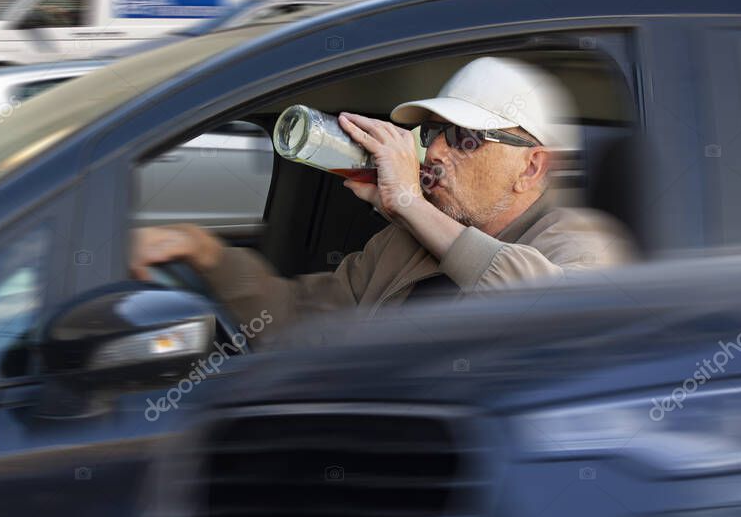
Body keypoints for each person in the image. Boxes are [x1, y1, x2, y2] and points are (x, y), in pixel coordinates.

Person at [131, 57, 636, 345]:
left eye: (464, 138)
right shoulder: (402, 245)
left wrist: (410, 205)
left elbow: (553, 312)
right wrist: (206, 253)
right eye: (434, 131)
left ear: (531, 167)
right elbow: (293, 319)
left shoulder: (581, 241)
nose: (435, 149)